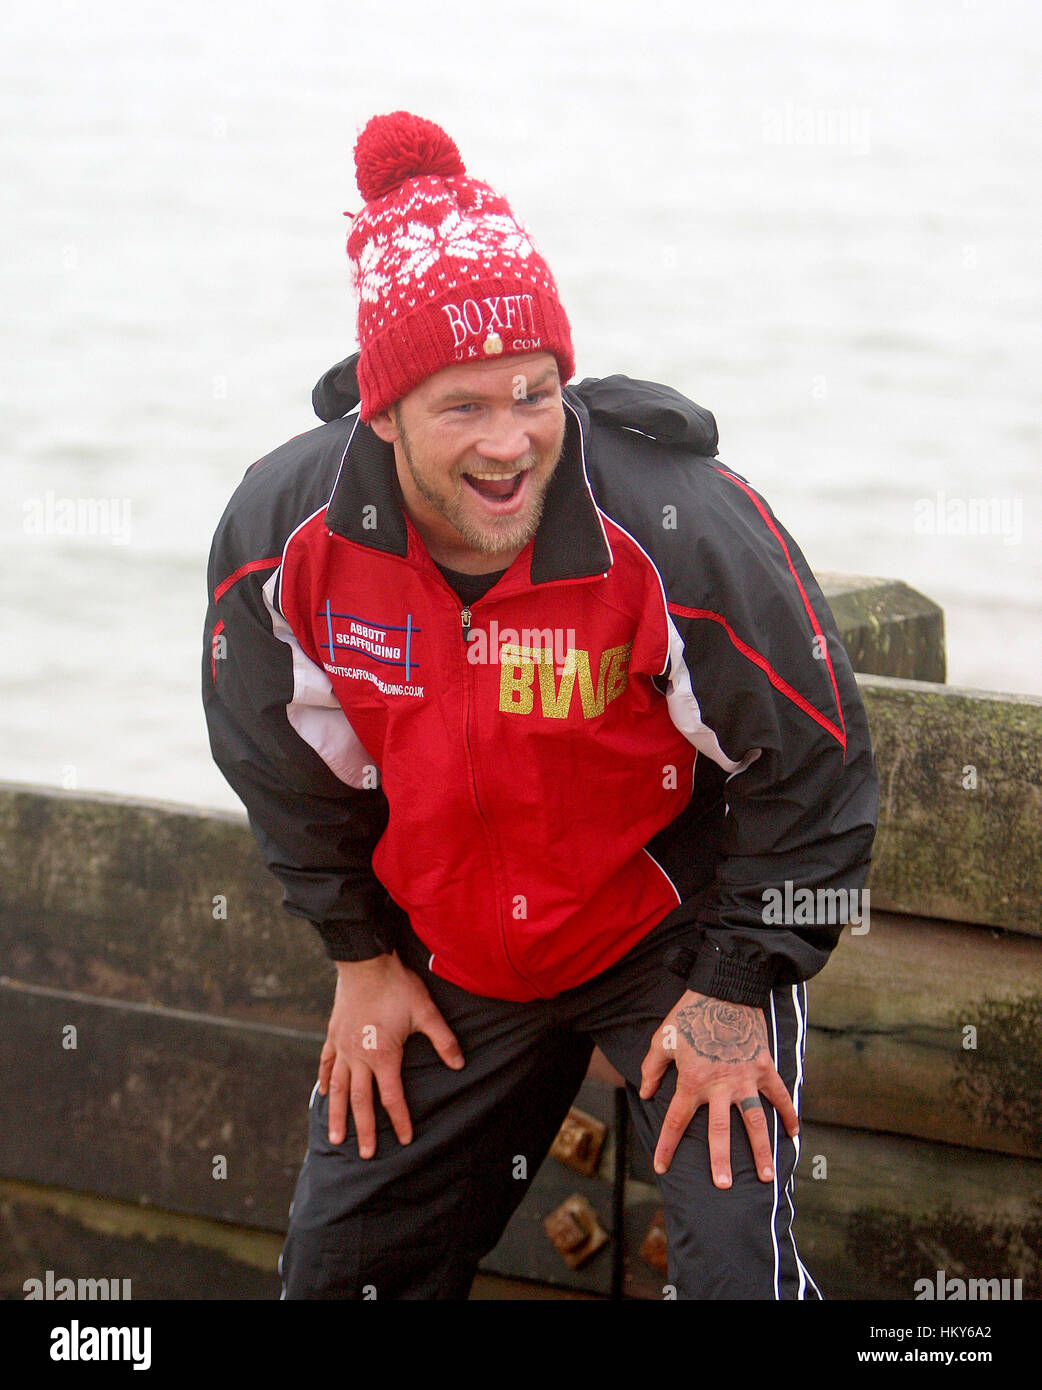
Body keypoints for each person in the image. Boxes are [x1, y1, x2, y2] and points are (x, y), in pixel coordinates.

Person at [202, 110, 878, 1300]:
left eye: (535, 391)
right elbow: (274, 753)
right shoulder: (283, 535)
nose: (511, 442)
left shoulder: (677, 524)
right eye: (464, 406)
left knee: (734, 1285)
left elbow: (815, 762)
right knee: (339, 1275)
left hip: (675, 934)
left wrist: (735, 987)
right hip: (453, 946)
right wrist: (358, 954)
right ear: (382, 409)